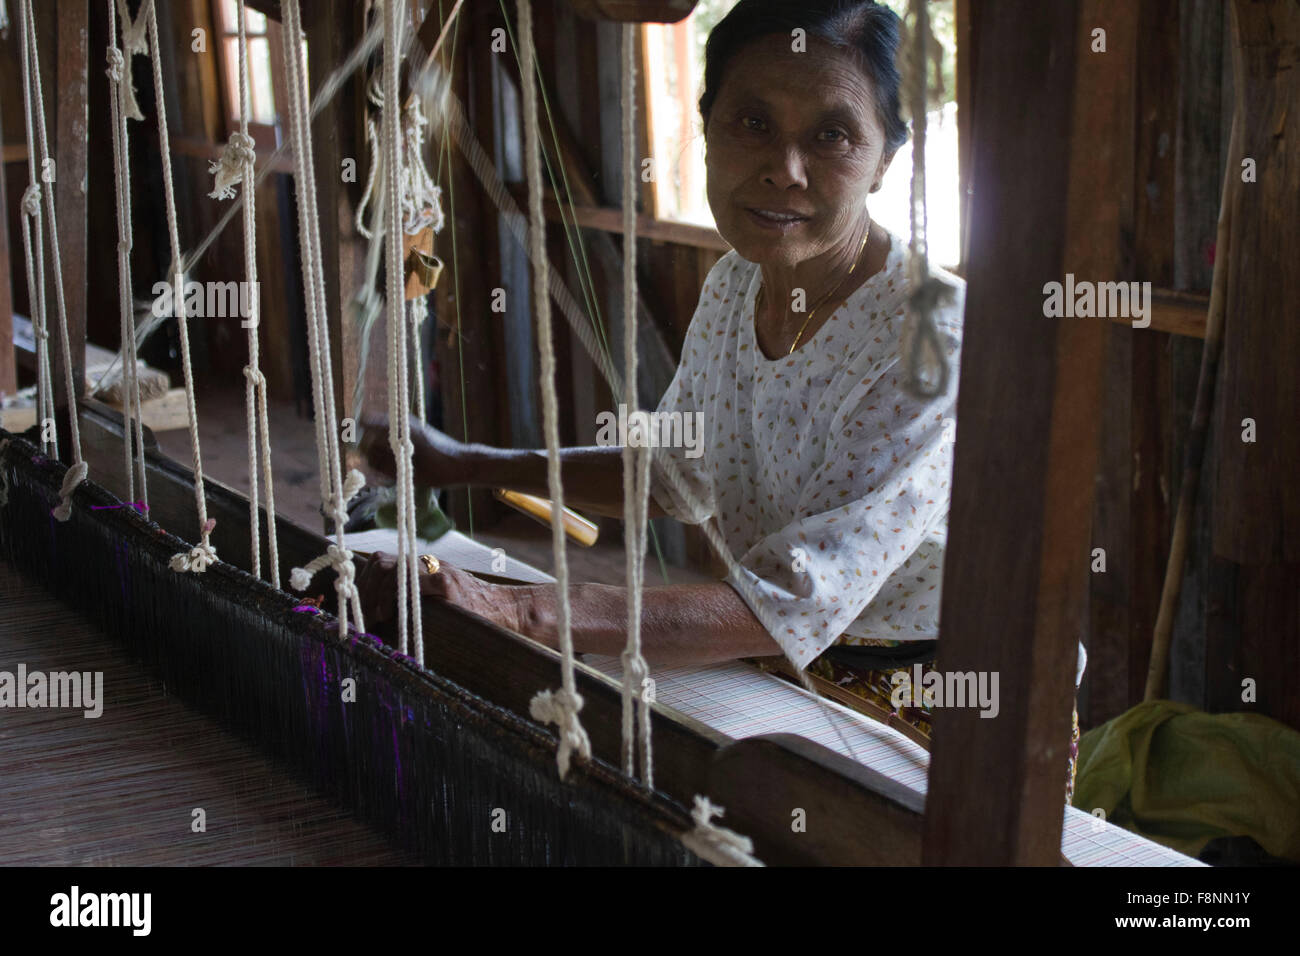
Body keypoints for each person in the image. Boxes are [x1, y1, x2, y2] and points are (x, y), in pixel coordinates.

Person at [359, 0, 1082, 802]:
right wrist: (465, 463)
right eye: (752, 123)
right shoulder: (738, 281)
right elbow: (674, 470)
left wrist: (517, 609)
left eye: (832, 136)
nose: (786, 169)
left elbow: (788, 598)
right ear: (706, 128)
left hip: (933, 706)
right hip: (795, 665)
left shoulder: (931, 338)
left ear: (884, 161)